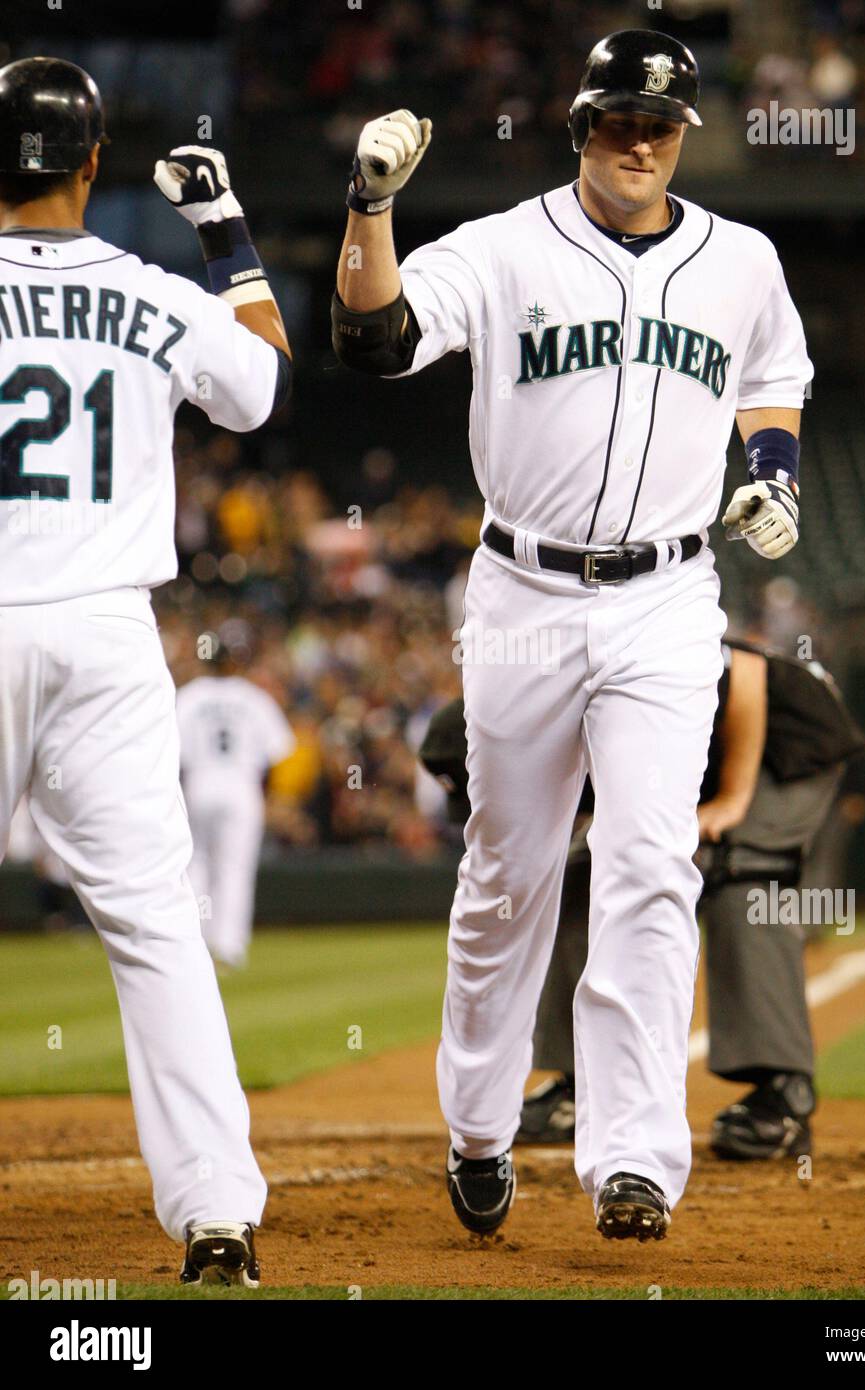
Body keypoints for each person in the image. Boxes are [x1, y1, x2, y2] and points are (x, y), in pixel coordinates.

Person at [334, 30, 812, 1241]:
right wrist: (368, 209)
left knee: (653, 865)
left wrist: (772, 473)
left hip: (666, 598)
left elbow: (776, 378)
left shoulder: (741, 259)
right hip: (523, 596)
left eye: (661, 123)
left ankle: (634, 1158)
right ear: (580, 125)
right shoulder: (503, 247)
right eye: (617, 119)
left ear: (684, 135)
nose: (640, 139)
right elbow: (374, 341)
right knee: (510, 873)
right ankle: (480, 1127)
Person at [0, 57, 291, 1286]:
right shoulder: (157, 290)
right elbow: (263, 386)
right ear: (95, 164)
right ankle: (217, 1212)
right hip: (109, 631)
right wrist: (225, 232)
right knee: (159, 927)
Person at [500, 641, 865, 1158]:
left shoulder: (598, 655)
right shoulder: (526, 721)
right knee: (581, 881)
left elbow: (747, 671)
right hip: (688, 755)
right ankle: (576, 1086)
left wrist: (734, 799)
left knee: (741, 872)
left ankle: (782, 1095)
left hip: (785, 737)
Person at [177, 625, 295, 970]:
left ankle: (194, 942)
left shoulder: (189, 696)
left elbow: (171, 753)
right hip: (241, 786)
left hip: (198, 783)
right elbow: (278, 752)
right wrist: (268, 795)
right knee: (235, 867)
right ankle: (228, 946)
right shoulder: (253, 697)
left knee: (195, 863)